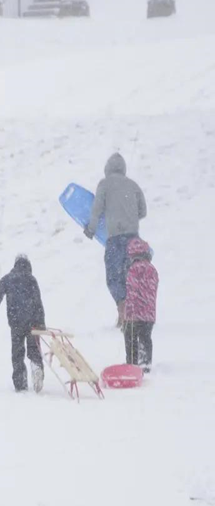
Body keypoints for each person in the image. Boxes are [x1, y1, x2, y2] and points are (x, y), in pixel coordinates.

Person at [86, 153, 147, 327]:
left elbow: (96, 209)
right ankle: (134, 313)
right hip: (134, 241)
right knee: (132, 276)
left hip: (115, 239)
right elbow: (143, 211)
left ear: (108, 168)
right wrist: (129, 218)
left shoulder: (104, 184)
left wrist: (91, 229)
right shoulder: (133, 185)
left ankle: (122, 311)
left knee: (114, 276)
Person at [0, 255, 47, 393]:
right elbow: (38, 302)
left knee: (17, 354)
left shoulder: (7, 279)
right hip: (33, 323)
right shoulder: (32, 279)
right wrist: (41, 323)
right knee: (34, 350)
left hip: (16, 323)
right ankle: (36, 367)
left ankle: (20, 384)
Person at [123, 238, 158, 372]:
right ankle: (145, 363)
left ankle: (132, 364)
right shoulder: (152, 269)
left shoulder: (133, 269)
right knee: (145, 337)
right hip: (149, 314)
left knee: (130, 338)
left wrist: (129, 311)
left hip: (135, 313)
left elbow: (132, 291)